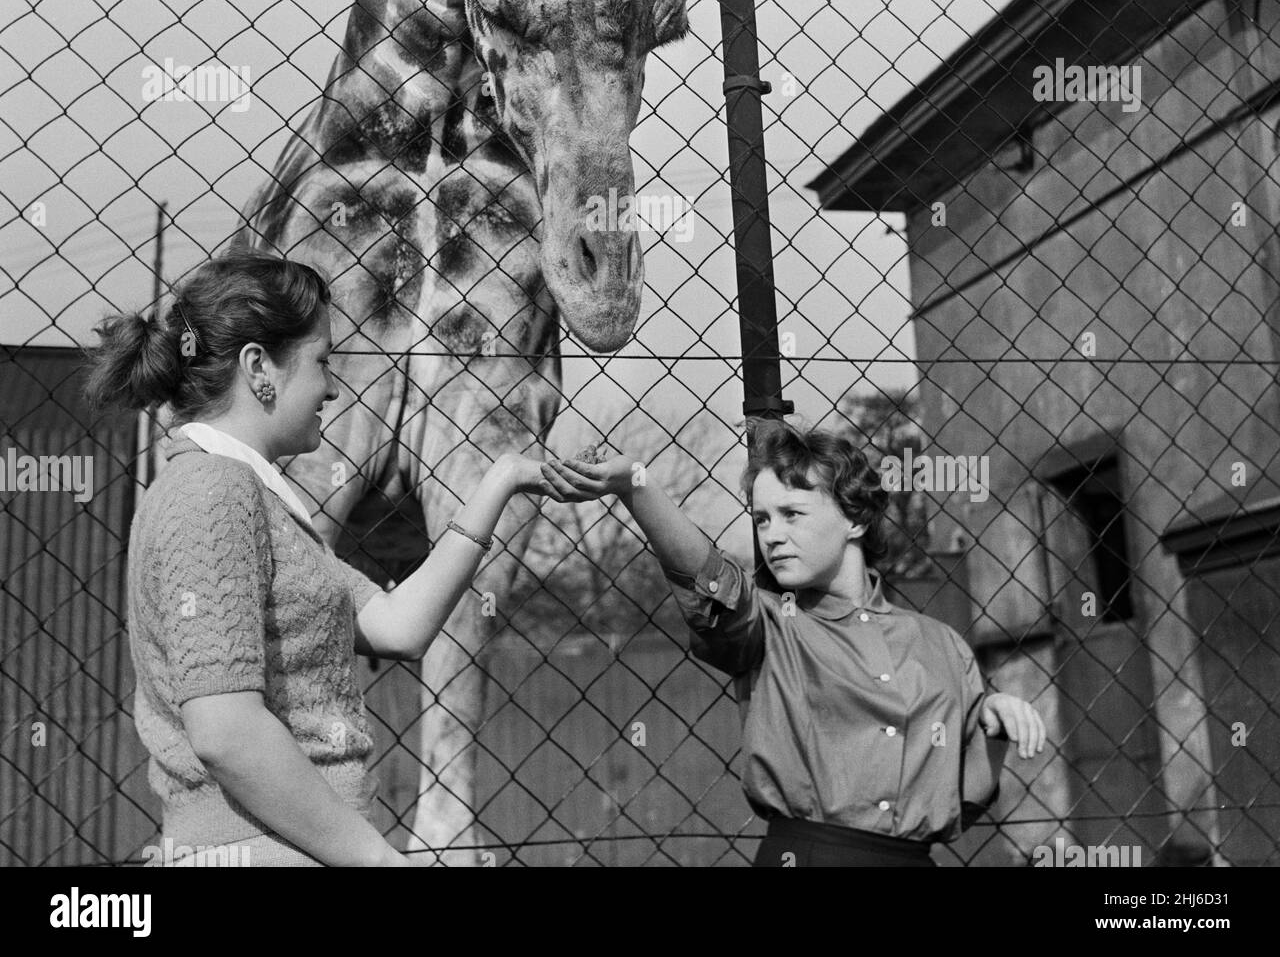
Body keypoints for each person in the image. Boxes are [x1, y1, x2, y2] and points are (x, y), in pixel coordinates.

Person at [82, 252, 558, 867]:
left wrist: (498, 482)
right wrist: (380, 861)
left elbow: (396, 626)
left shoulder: (257, 499)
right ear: (260, 370)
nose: (334, 387)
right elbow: (226, 732)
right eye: (323, 361)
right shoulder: (211, 495)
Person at [538, 417, 1047, 867]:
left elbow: (963, 802)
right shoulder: (768, 625)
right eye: (761, 518)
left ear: (856, 517)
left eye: (792, 514)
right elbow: (703, 573)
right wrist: (637, 486)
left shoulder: (942, 645)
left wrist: (994, 725)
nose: (772, 535)